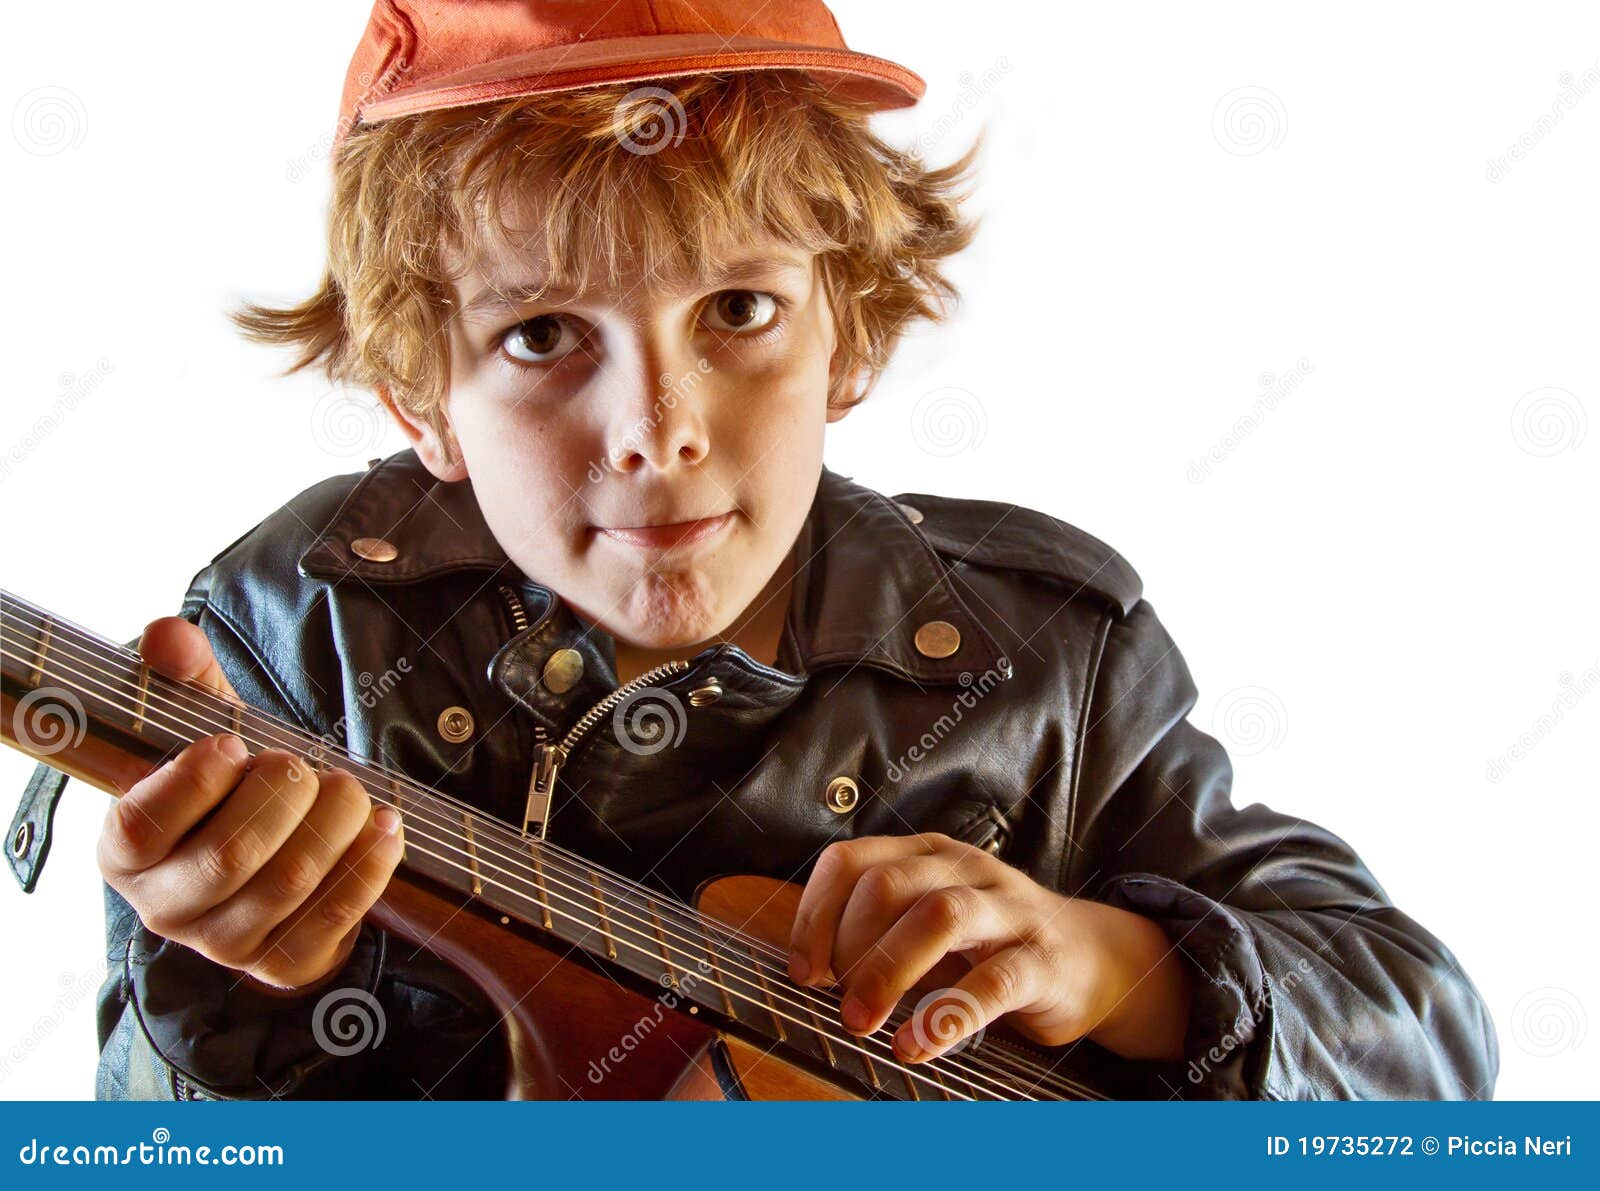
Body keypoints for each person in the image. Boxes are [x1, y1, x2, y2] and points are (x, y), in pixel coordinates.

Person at [10, 0, 1497, 1100]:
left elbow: (1430, 1045)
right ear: (421, 395)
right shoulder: (296, 640)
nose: (657, 429)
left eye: (738, 311)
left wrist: (1109, 963)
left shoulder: (1043, 661)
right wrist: (213, 986)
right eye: (543, 334)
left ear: (848, 329)